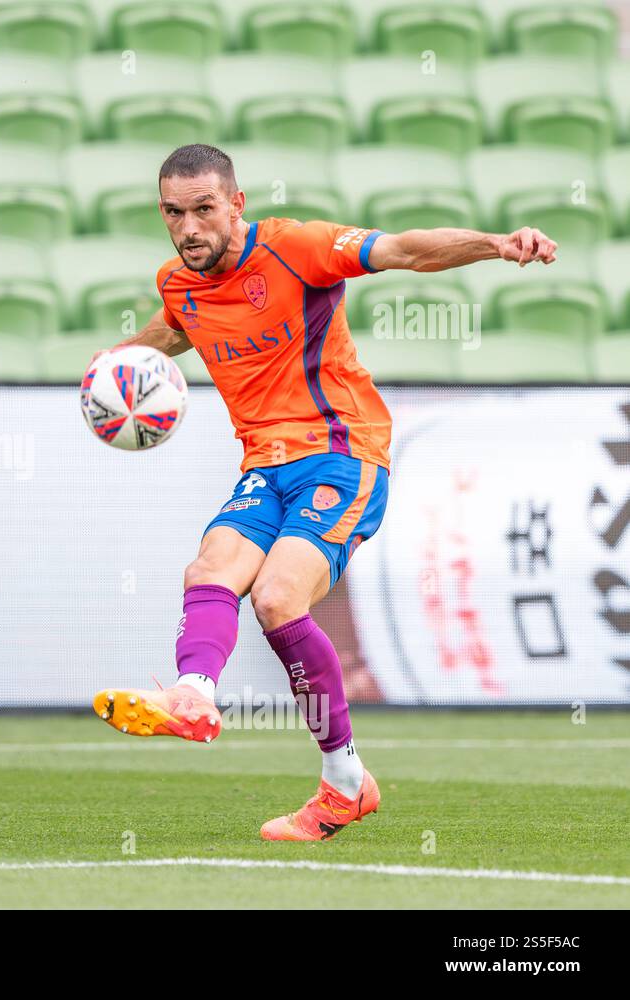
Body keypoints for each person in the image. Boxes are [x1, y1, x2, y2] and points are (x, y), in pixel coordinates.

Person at [94, 143, 557, 841]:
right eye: (173, 212)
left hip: (343, 453)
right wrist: (117, 373)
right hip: (263, 467)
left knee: (277, 596)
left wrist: (497, 244)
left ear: (236, 203)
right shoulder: (180, 284)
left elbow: (407, 249)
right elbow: (169, 333)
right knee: (209, 570)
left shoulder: (294, 248)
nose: (189, 228)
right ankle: (197, 700)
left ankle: (341, 780)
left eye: (203, 209)